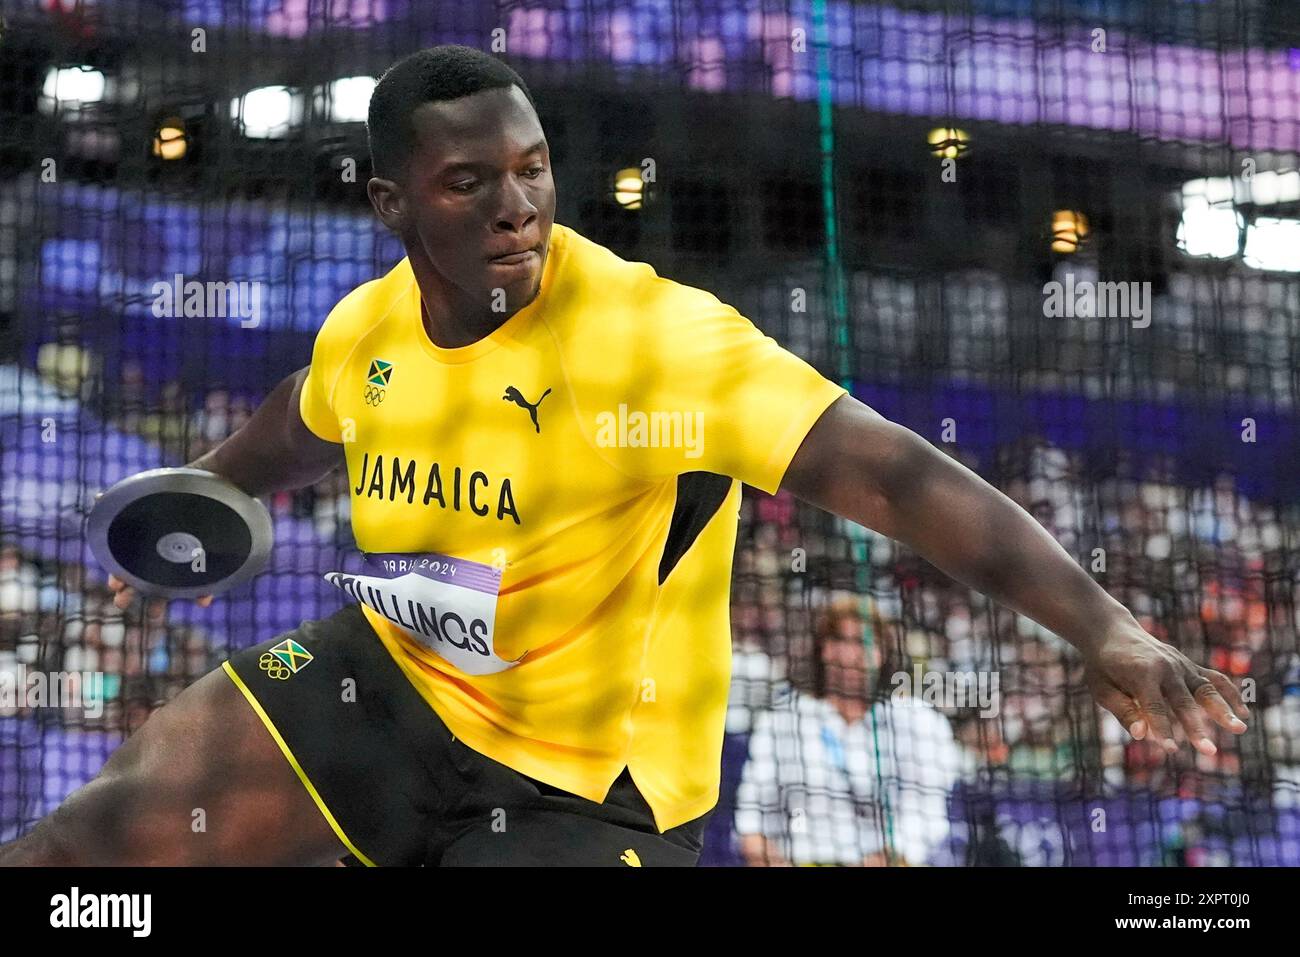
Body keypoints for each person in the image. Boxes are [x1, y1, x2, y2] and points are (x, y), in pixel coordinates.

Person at [0, 45, 1248, 867]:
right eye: (468, 181)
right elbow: (302, 415)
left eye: (534, 171)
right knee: (84, 855)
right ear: (393, 205)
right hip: (390, 683)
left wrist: (1103, 632)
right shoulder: (371, 323)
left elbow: (901, 475)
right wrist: (199, 494)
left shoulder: (656, 343)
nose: (515, 207)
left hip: (589, 781)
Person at [735, 596, 962, 866]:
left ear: (883, 652)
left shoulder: (917, 721)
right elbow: (750, 821)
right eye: (842, 641)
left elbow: (926, 815)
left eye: (865, 642)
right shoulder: (783, 719)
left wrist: (886, 859)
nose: (853, 655)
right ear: (824, 649)